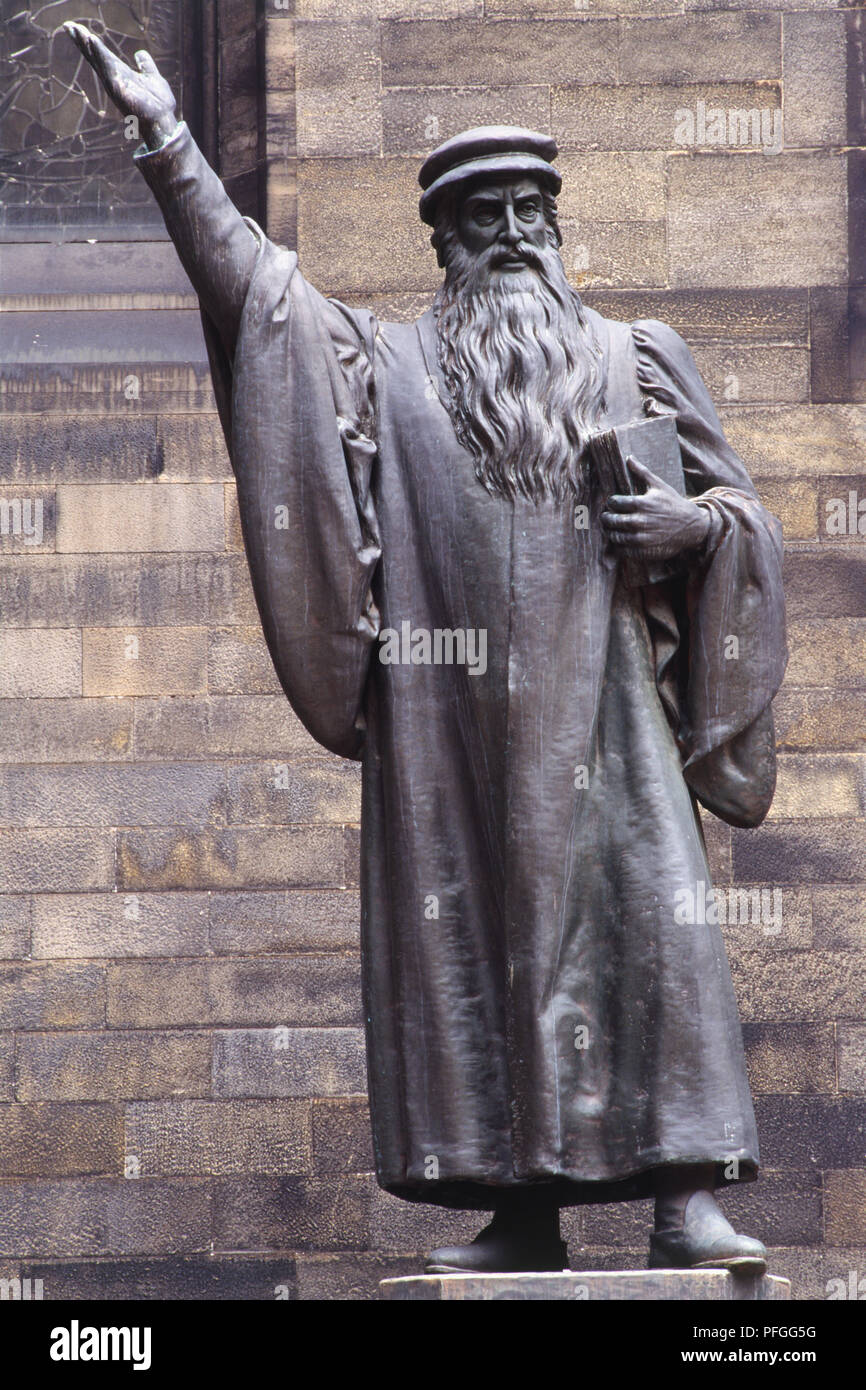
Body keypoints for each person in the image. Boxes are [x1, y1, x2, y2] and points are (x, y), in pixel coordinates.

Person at [64, 22, 787, 1277]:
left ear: (557, 231)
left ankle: (684, 1196)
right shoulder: (382, 366)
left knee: (648, 921)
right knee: (470, 940)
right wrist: (173, 145)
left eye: (530, 213)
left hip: (608, 715)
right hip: (449, 728)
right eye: (482, 218)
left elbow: (742, 517)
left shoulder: (634, 361)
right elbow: (259, 294)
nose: (512, 236)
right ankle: (518, 1206)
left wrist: (695, 526)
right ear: (443, 243)